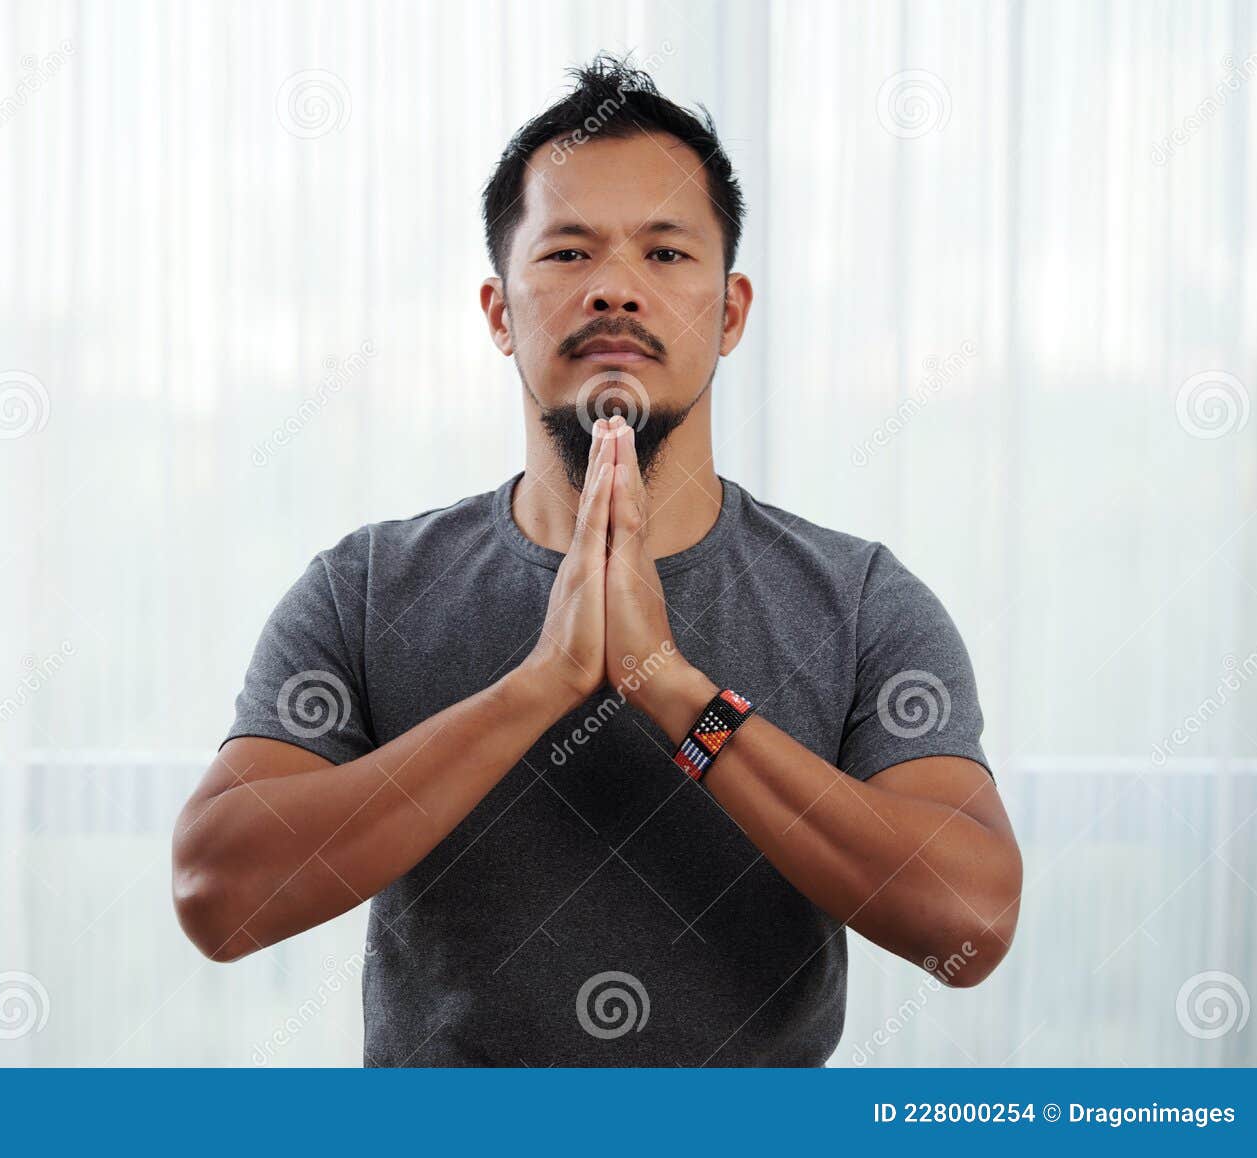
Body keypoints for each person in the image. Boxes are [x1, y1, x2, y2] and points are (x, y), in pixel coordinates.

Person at [172, 54, 1022, 1066]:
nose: (616, 288)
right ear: (500, 313)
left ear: (730, 312)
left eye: (665, 254)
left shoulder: (858, 600)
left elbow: (969, 922)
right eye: (569, 253)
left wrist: (674, 692)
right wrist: (539, 686)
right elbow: (217, 896)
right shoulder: (365, 590)